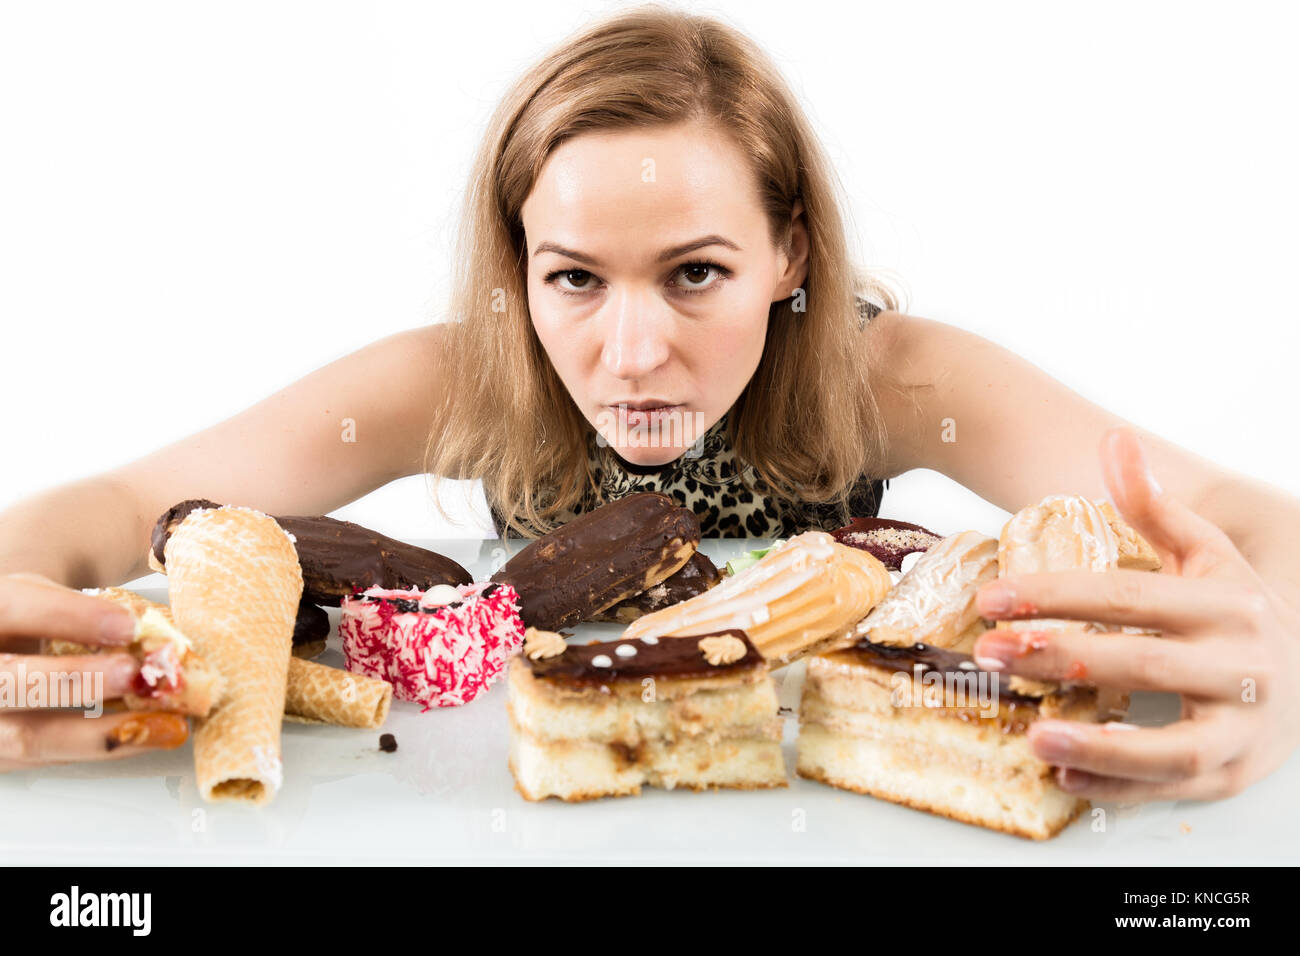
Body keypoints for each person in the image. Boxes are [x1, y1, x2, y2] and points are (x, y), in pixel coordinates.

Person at [2, 6, 1297, 803]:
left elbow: (1255, 519)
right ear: (518, 269)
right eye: (573, 278)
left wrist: (1280, 652)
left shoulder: (894, 379)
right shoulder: (464, 379)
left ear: (790, 254)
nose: (630, 353)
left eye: (696, 275)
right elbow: (125, 507)